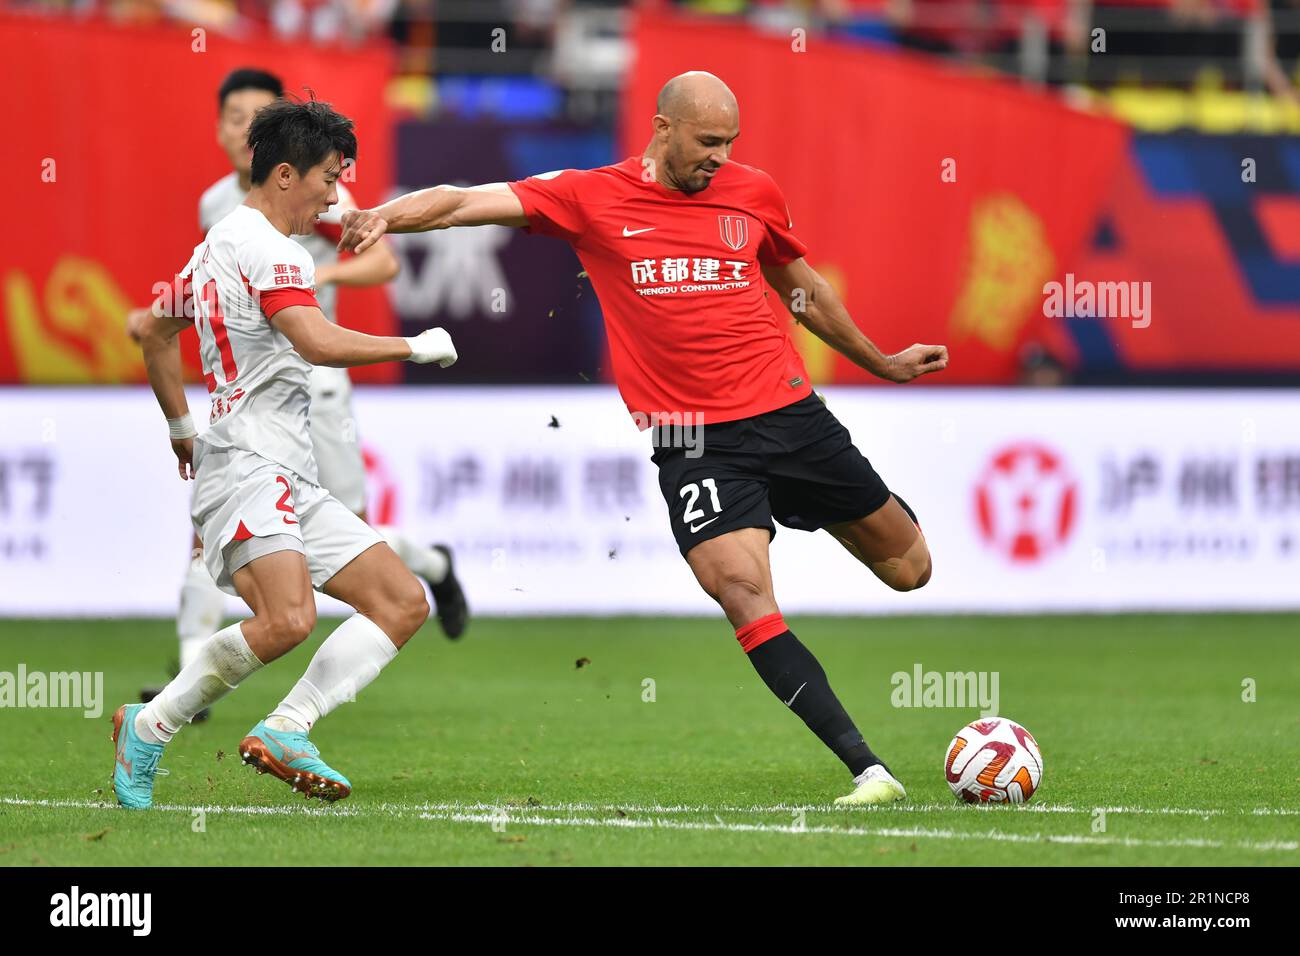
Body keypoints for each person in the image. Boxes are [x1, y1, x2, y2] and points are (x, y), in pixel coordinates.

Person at [337, 72, 950, 805]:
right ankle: (868, 769)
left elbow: (803, 291)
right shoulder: (591, 196)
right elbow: (465, 202)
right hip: (695, 443)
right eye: (708, 141)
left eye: (730, 143)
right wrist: (383, 215)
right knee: (743, 593)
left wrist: (882, 363)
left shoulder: (754, 194)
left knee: (909, 569)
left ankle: (822, 507)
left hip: (790, 415)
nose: (720, 156)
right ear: (663, 129)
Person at [114, 97, 459, 808]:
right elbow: (316, 341)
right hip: (248, 464)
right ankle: (148, 727)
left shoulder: (217, 243)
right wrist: (414, 346)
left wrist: (180, 428)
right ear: (283, 174)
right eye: (328, 179)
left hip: (280, 466)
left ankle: (287, 727)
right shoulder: (273, 251)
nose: (333, 197)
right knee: (288, 620)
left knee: (400, 601)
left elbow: (152, 331)